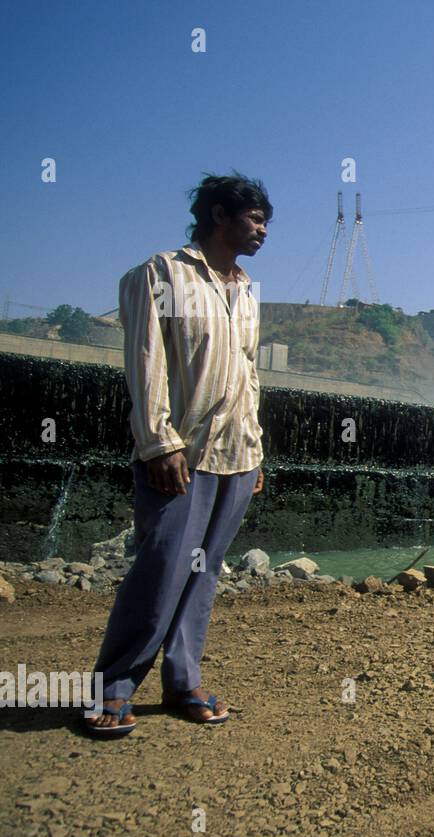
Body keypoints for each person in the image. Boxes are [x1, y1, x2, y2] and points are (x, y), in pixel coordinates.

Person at [85, 172, 271, 736]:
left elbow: (249, 372)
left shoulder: (246, 289)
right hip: (181, 452)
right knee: (160, 567)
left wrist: (256, 446)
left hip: (238, 455)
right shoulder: (162, 274)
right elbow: (147, 363)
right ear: (219, 215)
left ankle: (182, 682)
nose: (263, 230)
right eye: (255, 218)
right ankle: (112, 686)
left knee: (204, 571)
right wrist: (159, 442)